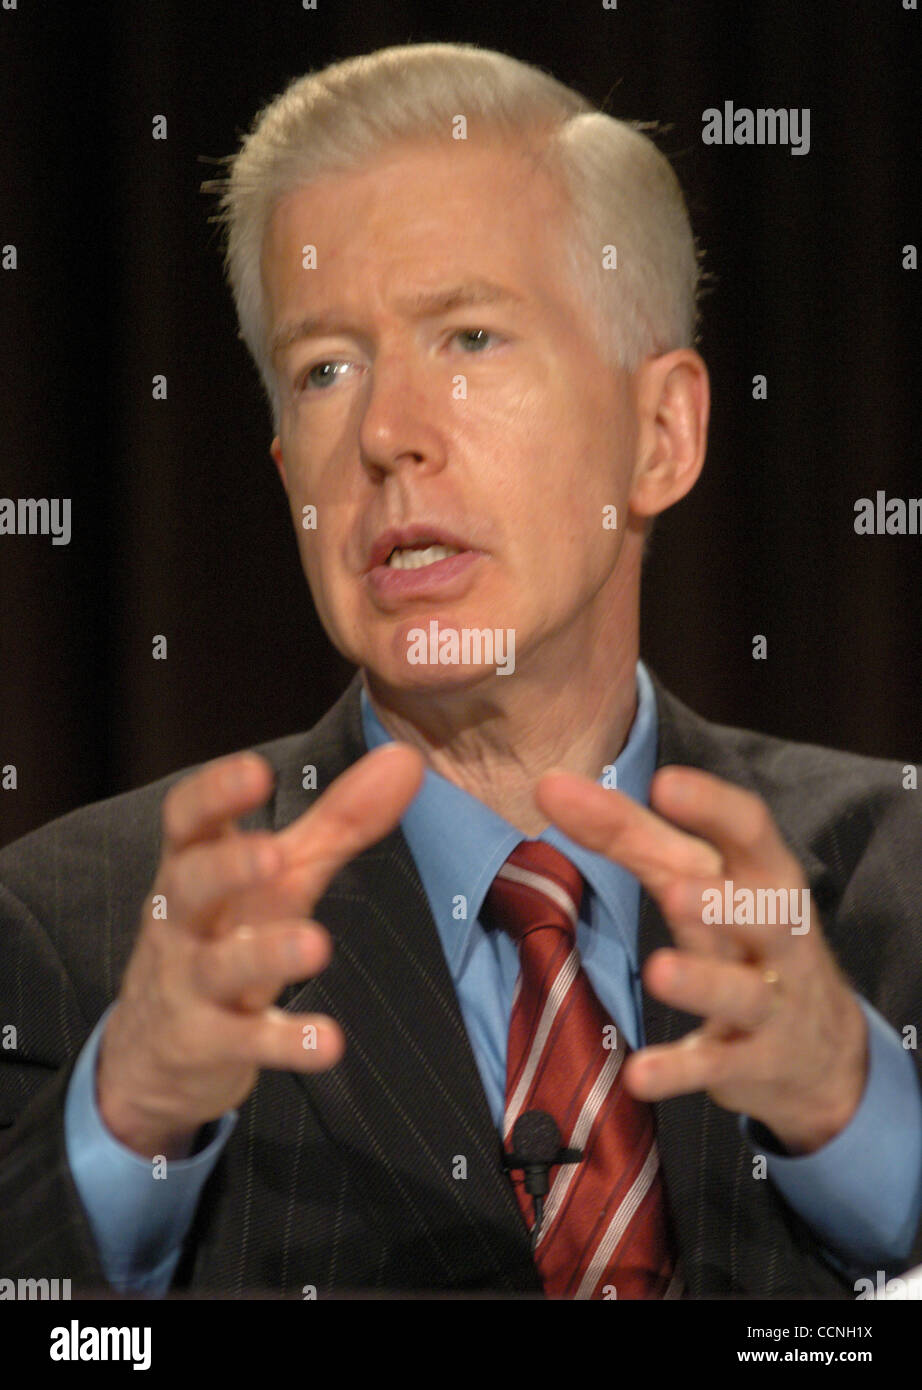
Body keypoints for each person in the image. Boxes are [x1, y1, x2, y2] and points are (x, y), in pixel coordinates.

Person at [1, 41, 920, 1300]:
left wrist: (863, 1130)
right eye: (326, 367)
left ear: (661, 435)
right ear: (288, 474)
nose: (383, 435)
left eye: (470, 336)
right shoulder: (77, 937)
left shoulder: (899, 885)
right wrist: (127, 1127)